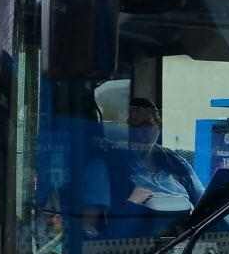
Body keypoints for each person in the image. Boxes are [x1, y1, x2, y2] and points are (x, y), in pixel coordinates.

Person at [81, 97, 205, 237]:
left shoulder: (176, 163)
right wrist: (131, 205)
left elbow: (207, 206)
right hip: (137, 252)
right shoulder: (104, 168)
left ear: (158, 126)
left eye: (146, 125)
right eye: (131, 127)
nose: (138, 134)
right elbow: (88, 227)